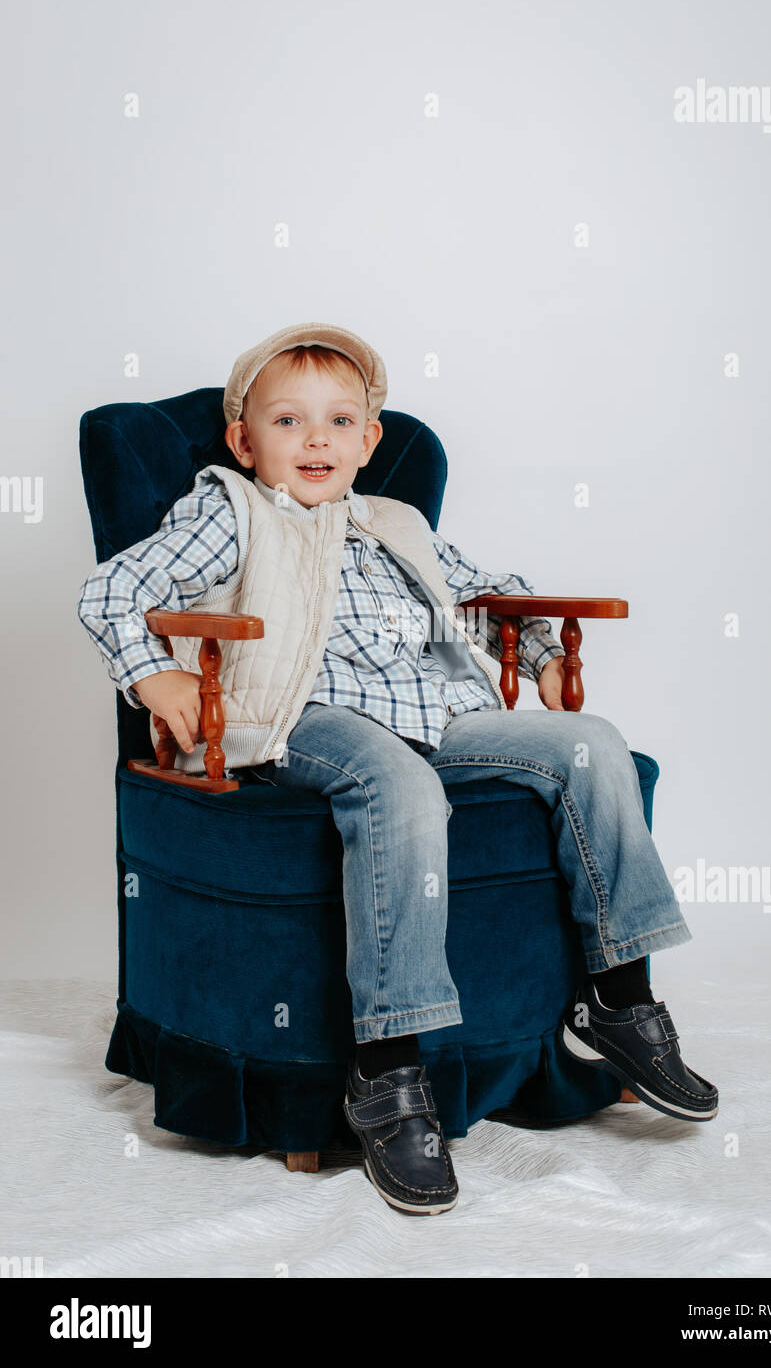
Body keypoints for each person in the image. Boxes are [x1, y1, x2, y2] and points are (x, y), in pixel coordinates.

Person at [78, 322, 718, 1217]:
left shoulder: (394, 522)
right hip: (296, 716)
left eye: (341, 422)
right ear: (243, 440)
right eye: (289, 422)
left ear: (370, 442)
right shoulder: (229, 509)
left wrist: (535, 653)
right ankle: (389, 1067)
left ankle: (618, 998)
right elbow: (110, 590)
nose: (316, 440)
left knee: (593, 744)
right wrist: (156, 669)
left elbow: (488, 591)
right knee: (401, 785)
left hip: (434, 714)